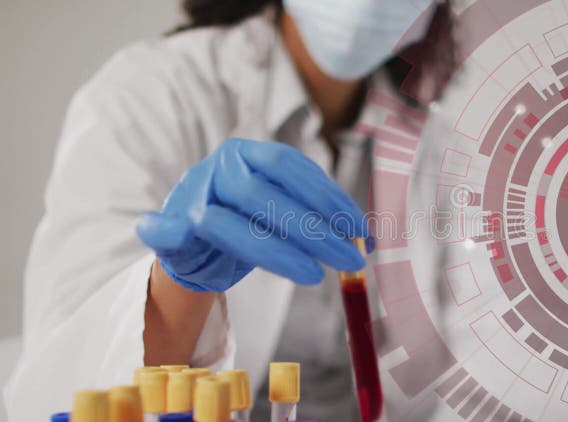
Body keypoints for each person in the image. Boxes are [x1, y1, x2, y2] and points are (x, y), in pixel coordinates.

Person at [4, 0, 455, 420]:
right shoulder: (150, 92)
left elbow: (475, 366)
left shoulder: (442, 137)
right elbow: (68, 382)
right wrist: (179, 288)